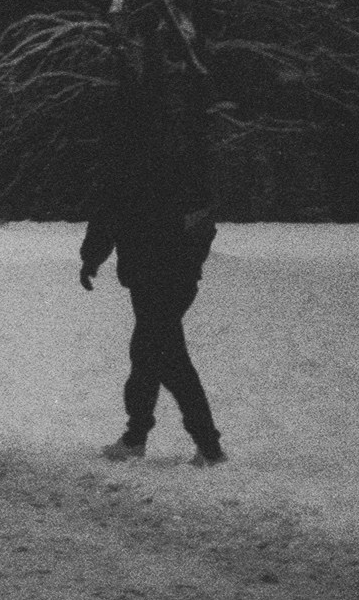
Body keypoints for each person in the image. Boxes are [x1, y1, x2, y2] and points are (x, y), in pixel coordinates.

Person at [81, 123, 228, 466]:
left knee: (163, 358)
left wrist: (91, 259)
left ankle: (200, 443)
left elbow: (106, 218)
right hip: (173, 279)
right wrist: (190, 261)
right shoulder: (180, 172)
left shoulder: (125, 173)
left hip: (151, 278)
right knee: (153, 354)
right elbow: (203, 225)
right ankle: (150, 437)